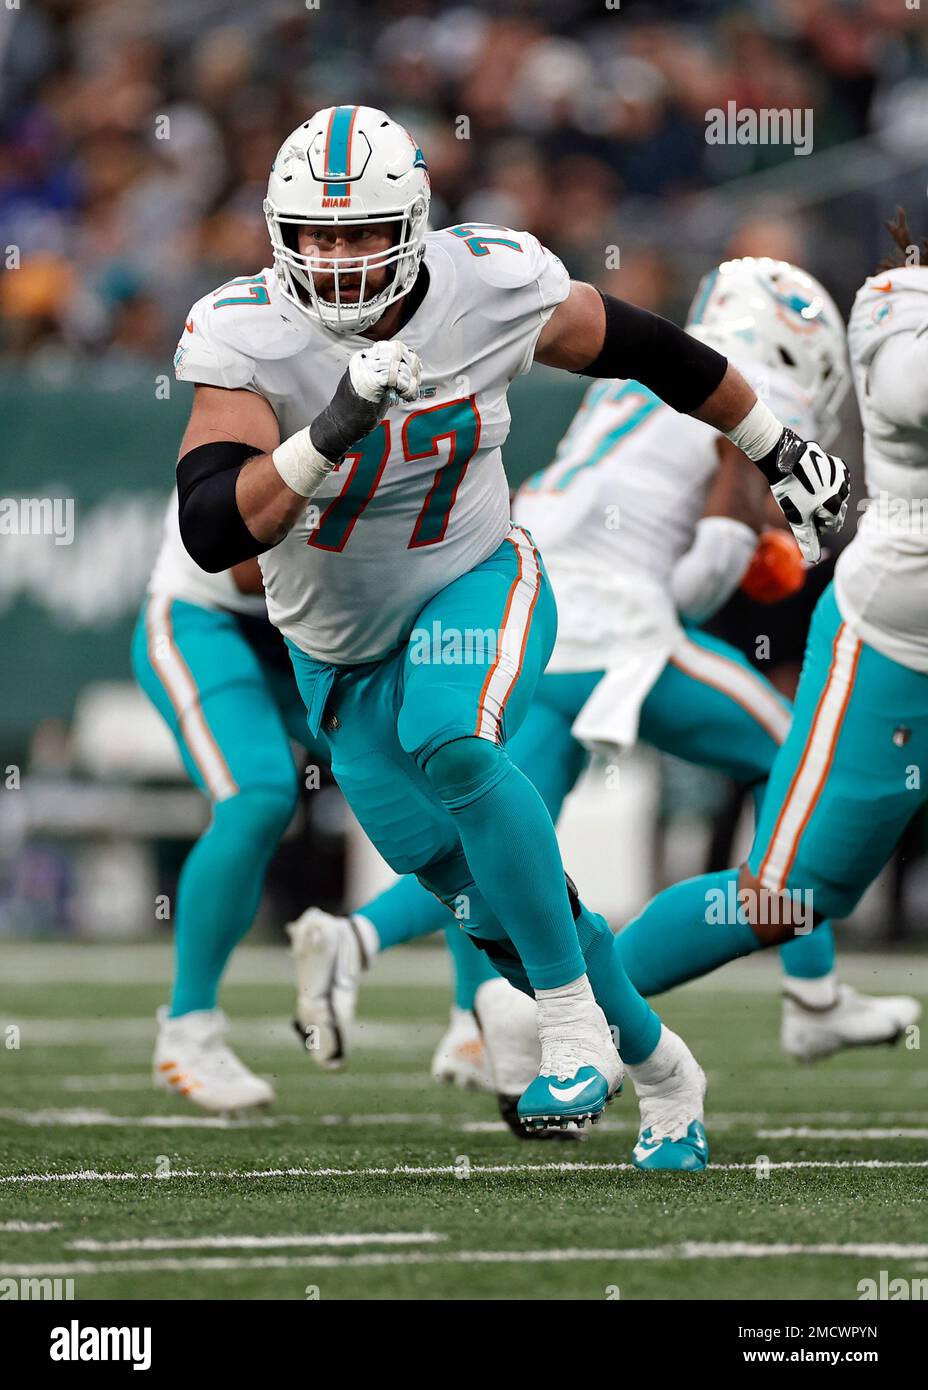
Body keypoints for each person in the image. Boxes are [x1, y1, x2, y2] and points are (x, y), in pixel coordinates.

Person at [173, 106, 849, 1168]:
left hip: (477, 579)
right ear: (279, 234)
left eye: (363, 233)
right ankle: (664, 1066)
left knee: (456, 735)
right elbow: (213, 531)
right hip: (337, 657)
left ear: (414, 225)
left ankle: (571, 1024)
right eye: (319, 234)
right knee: (483, 900)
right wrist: (332, 428)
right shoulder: (243, 330)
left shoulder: (487, 283)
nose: (340, 258)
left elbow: (650, 347)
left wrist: (772, 444)